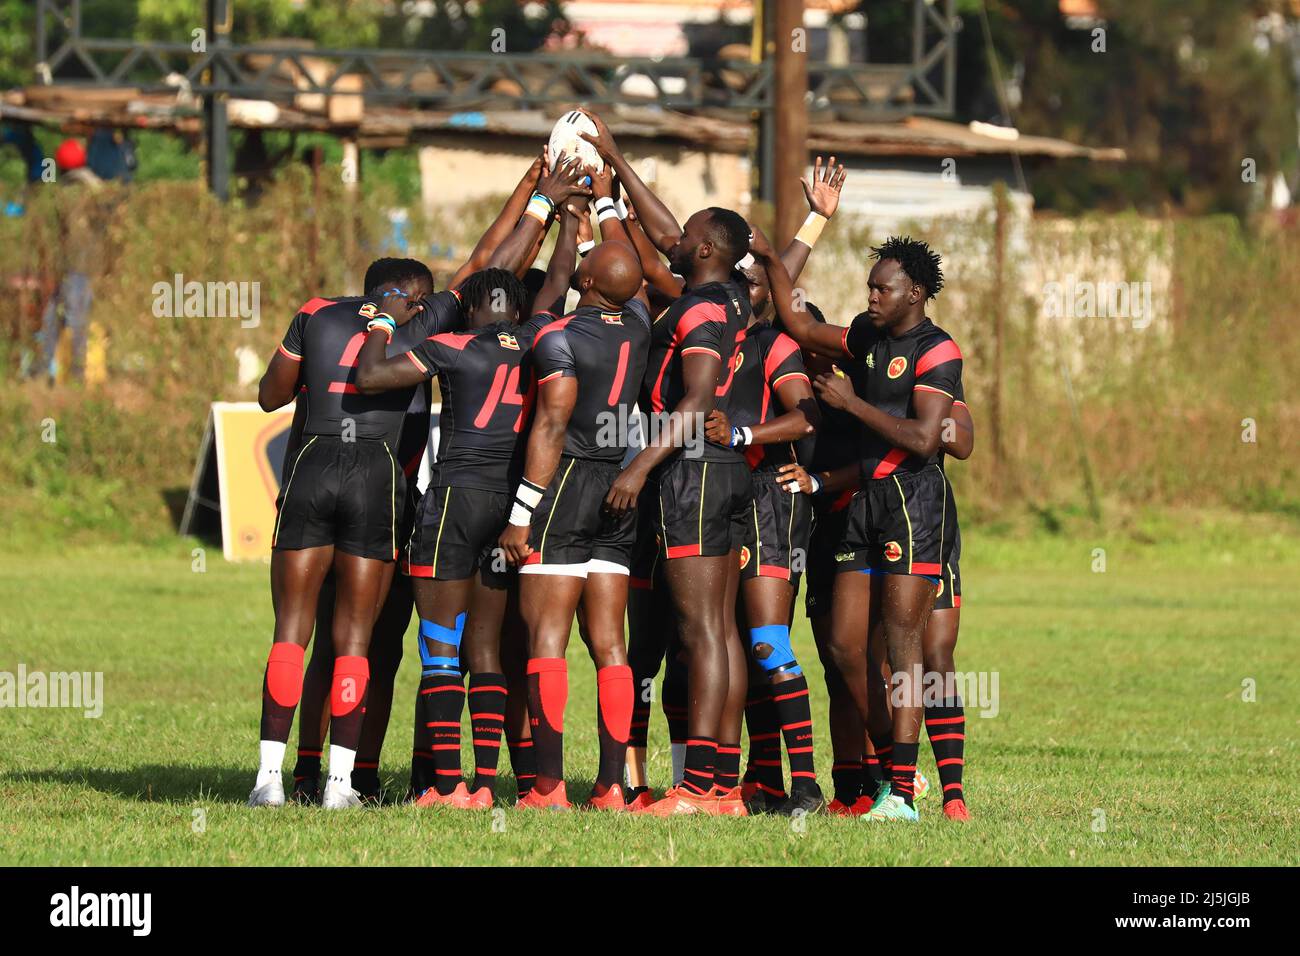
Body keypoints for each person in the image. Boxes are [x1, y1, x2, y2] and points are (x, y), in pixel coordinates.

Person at [764, 232, 963, 822]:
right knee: (845, 646)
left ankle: (902, 794)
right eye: (870, 286)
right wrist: (775, 260)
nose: (872, 296)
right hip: (864, 502)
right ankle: (892, 770)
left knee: (904, 646)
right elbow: (801, 328)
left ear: (916, 293)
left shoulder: (938, 350)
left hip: (912, 501)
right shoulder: (867, 336)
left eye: (884, 288)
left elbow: (926, 440)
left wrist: (851, 406)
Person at [248, 265, 434, 810]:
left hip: (311, 463)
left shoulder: (314, 311)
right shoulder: (422, 323)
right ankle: (339, 786)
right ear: (415, 297)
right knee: (356, 639)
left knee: (291, 631)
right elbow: (484, 264)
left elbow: (269, 396)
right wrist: (540, 201)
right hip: (377, 473)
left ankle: (269, 781)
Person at [497, 165, 652, 810]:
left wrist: (521, 512)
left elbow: (551, 426)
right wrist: (601, 213)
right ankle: (613, 786)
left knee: (547, 638)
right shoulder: (641, 325)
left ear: (587, 281)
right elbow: (623, 282)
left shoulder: (557, 337)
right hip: (622, 487)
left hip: (567, 485)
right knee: (610, 641)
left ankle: (549, 784)